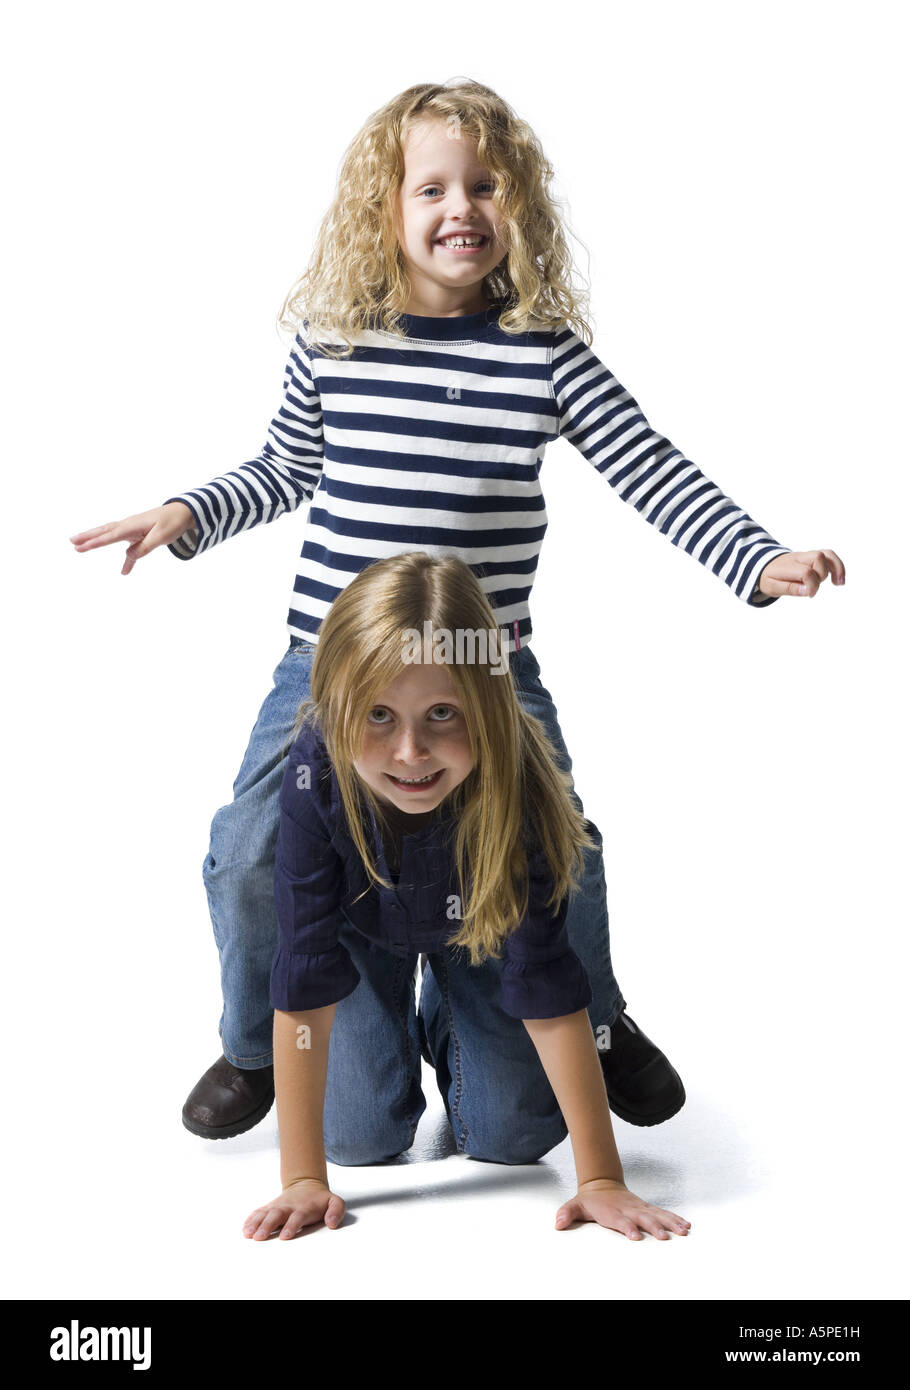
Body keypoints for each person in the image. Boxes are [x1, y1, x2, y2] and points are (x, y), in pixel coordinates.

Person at [68, 79, 845, 1144]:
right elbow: (285, 467)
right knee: (249, 851)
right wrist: (185, 512)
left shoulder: (543, 350)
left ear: (516, 207)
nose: (459, 207)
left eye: (484, 185)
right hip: (329, 667)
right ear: (383, 211)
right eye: (429, 187)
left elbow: (648, 468)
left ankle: (598, 1021)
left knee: (563, 848)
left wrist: (755, 559)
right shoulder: (336, 342)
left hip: (482, 661)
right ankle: (256, 1042)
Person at [245, 550, 693, 1239]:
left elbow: (547, 985)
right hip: (358, 939)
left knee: (512, 1137)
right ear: (336, 711)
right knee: (359, 1139)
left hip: (478, 930)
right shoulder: (315, 775)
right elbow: (304, 979)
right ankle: (394, 1007)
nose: (410, 751)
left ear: (486, 706)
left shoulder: (516, 782)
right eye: (379, 716)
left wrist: (600, 1177)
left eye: (443, 713)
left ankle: (451, 1010)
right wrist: (303, 1177)